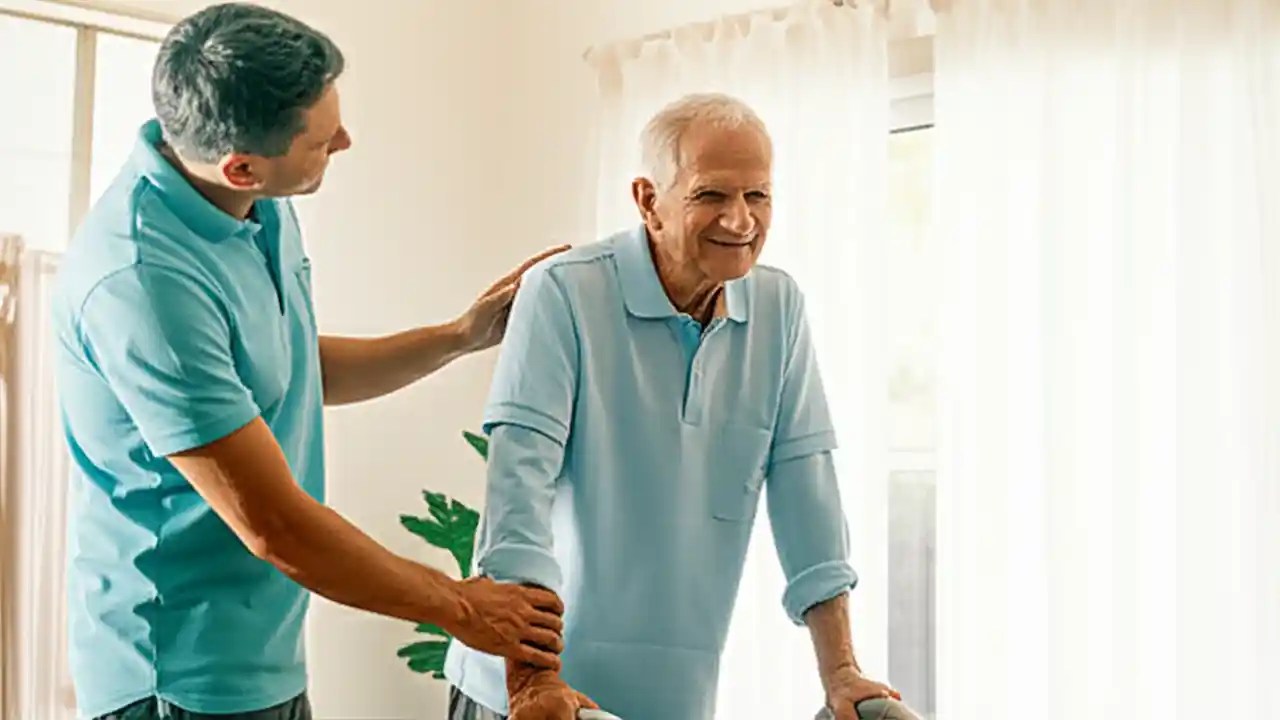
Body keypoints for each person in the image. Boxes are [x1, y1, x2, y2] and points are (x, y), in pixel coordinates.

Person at [52, 5, 566, 720]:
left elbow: (288, 368)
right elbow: (276, 527)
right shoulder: (143, 285)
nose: (346, 140)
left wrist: (459, 335)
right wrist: (459, 606)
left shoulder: (253, 203)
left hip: (263, 650)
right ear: (243, 165)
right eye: (323, 141)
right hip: (178, 676)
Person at [444, 92, 902, 720]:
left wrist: (841, 672)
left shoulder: (777, 308)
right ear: (647, 200)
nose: (740, 221)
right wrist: (531, 680)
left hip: (674, 693)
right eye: (711, 195)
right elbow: (517, 493)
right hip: (531, 695)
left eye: (758, 196)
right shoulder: (564, 292)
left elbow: (807, 490)